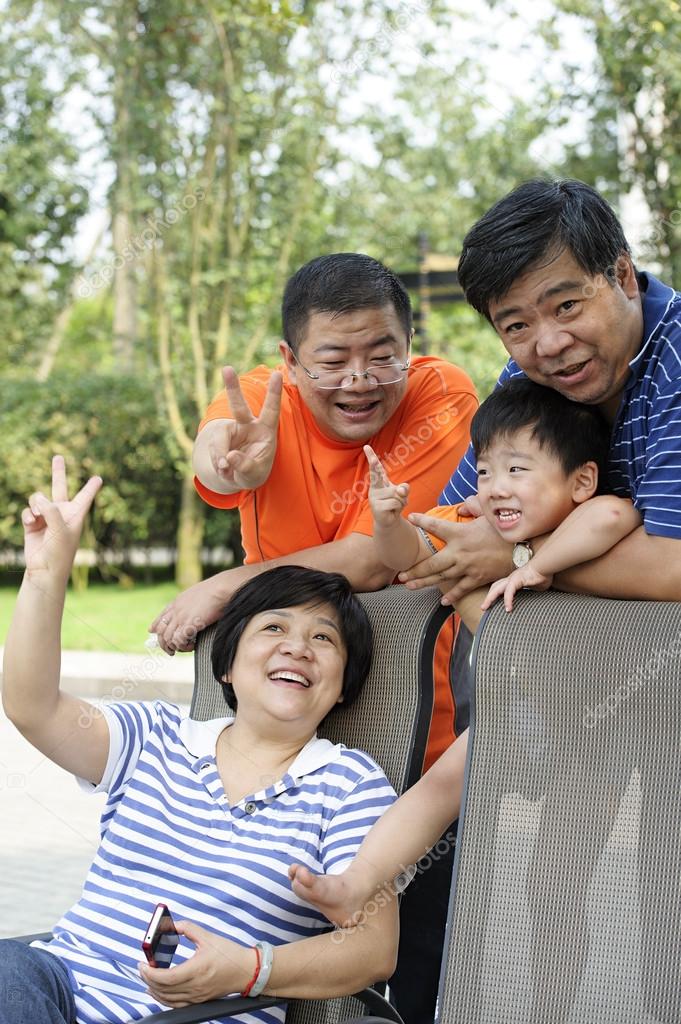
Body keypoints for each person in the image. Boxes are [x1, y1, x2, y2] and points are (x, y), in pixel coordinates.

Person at [149, 252, 478, 1024]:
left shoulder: (439, 395)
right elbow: (218, 456)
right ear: (290, 361)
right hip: (273, 744)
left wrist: (233, 583)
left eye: (381, 354)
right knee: (261, 956)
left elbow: (373, 557)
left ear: (410, 343)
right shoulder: (259, 399)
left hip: (412, 745)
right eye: (331, 360)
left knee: (418, 965)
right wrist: (230, 469)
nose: (359, 379)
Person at [0, 456, 398, 1024]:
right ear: (227, 666)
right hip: (52, 989)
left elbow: (374, 951)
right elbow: (32, 707)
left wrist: (249, 970)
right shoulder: (154, 737)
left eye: (324, 639)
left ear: (341, 688)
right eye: (274, 627)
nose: (297, 647)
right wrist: (44, 577)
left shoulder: (349, 786)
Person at [286, 376, 643, 930]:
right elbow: (410, 556)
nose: (496, 488)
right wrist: (388, 522)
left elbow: (614, 517)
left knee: (561, 867)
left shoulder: (580, 521)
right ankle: (357, 883)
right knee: (438, 789)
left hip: (596, 723)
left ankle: (561, 959)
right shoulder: (477, 529)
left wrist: (533, 563)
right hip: (516, 712)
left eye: (517, 470)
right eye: (484, 472)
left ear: (581, 481)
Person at [399, 177, 681, 605]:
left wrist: (520, 555)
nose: (549, 345)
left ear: (622, 275)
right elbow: (457, 529)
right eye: (517, 326)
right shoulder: (528, 376)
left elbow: (672, 565)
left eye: (567, 306)